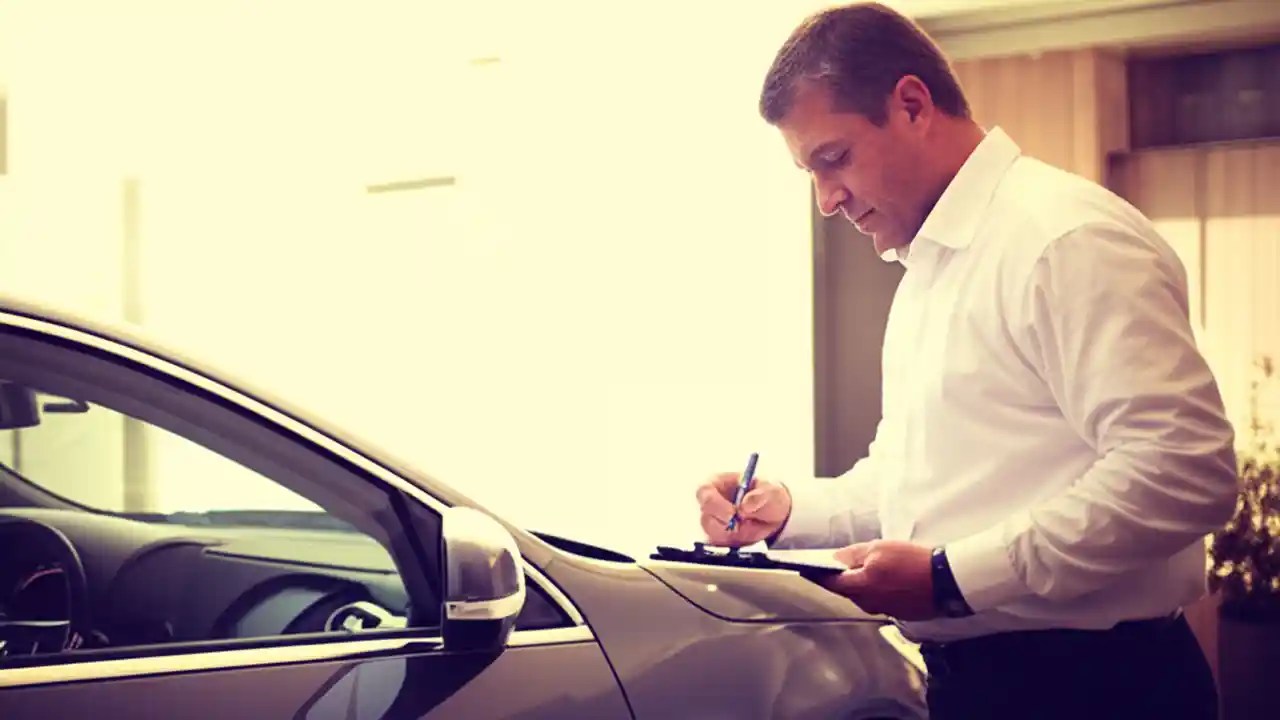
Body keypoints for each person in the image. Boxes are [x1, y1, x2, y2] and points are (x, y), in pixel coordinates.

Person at [695, 3, 1238, 718]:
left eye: (833, 159)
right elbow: (918, 482)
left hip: (1095, 689)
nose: (826, 200)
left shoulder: (1063, 239)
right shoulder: (930, 268)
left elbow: (1183, 473)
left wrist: (951, 579)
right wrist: (789, 510)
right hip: (982, 686)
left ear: (913, 104)